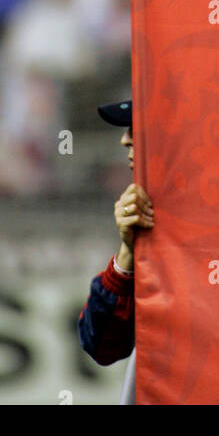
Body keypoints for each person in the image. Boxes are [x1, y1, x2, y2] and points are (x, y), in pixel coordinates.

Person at [77, 98, 153, 405]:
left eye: (138, 127)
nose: (125, 139)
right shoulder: (146, 216)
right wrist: (127, 254)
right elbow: (101, 345)